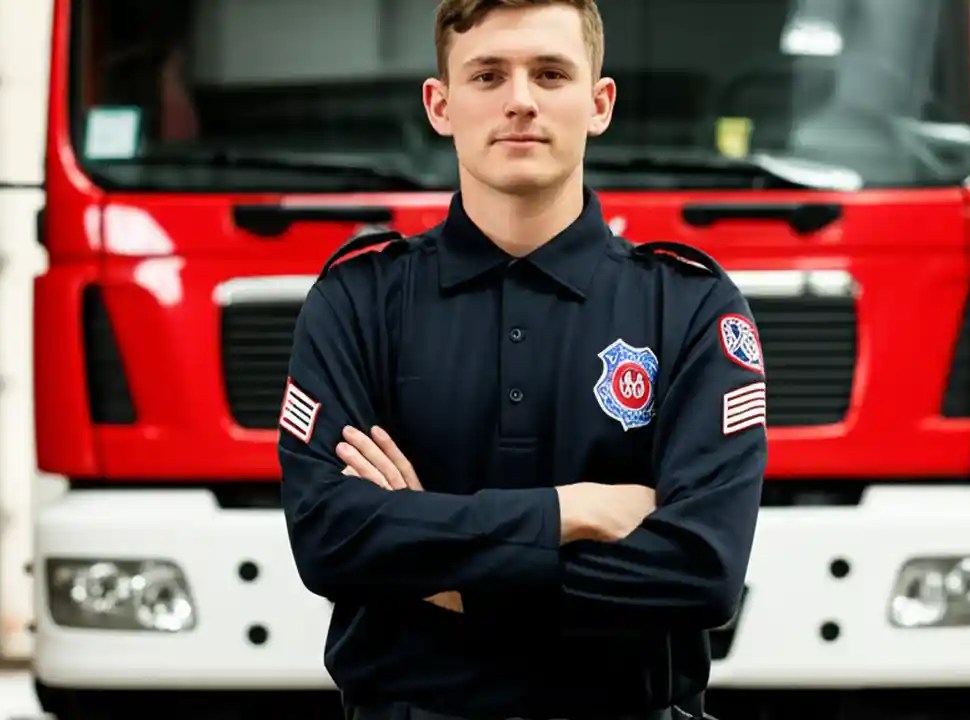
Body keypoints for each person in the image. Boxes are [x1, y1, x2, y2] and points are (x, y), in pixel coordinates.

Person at [277, 1, 768, 718]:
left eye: (550, 73)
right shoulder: (357, 300)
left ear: (598, 103)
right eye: (487, 75)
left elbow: (703, 573)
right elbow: (331, 539)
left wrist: (438, 564)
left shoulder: (691, 306)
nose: (520, 101)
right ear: (439, 104)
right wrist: (575, 510)